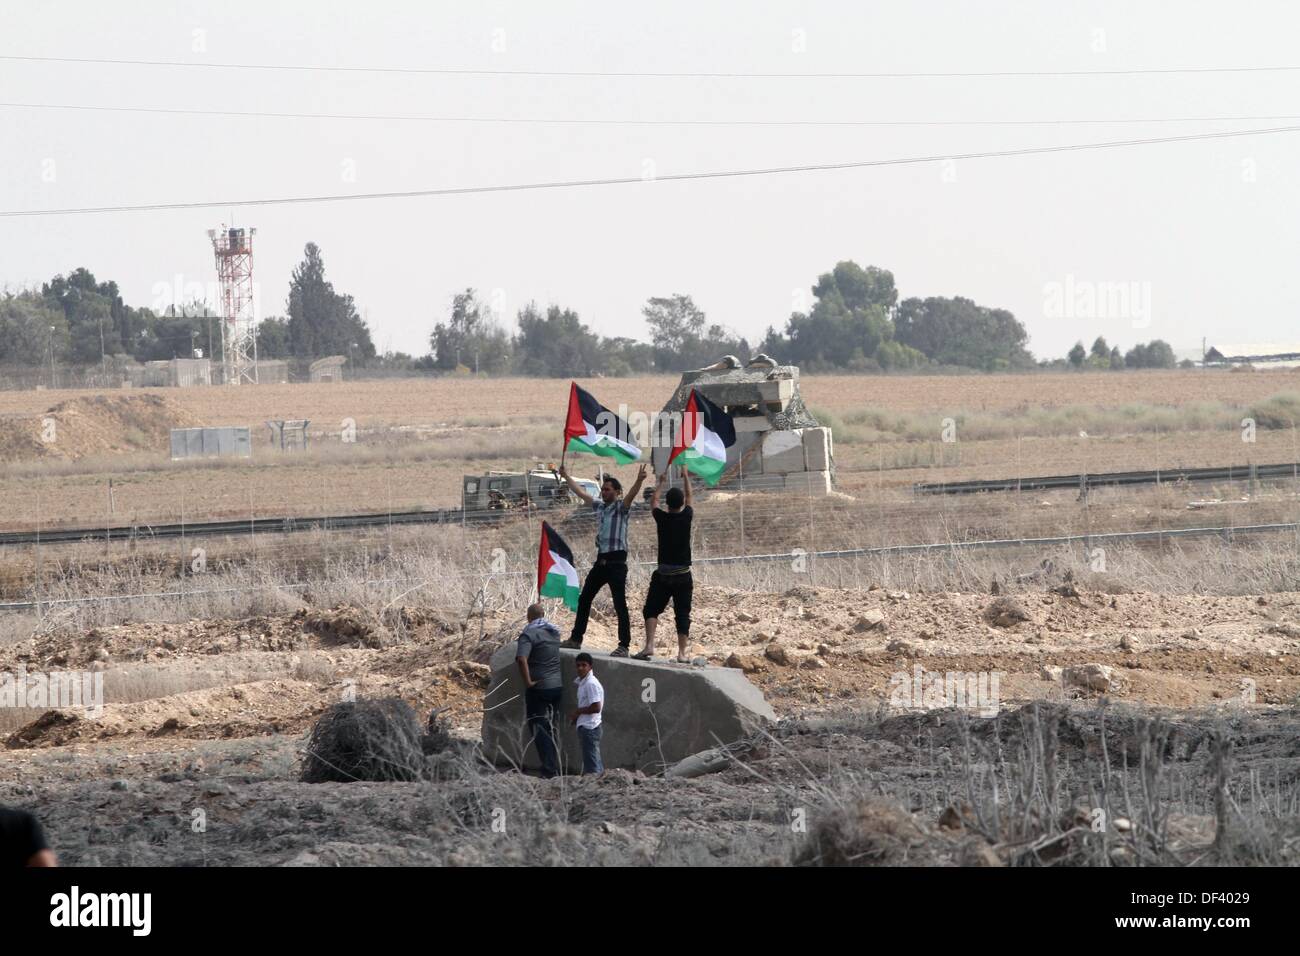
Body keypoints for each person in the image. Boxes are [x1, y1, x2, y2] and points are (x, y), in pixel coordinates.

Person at [558, 462, 648, 657]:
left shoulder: (620, 508)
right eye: (603, 490)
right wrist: (566, 476)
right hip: (601, 561)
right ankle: (575, 639)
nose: (604, 493)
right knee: (584, 599)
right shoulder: (599, 507)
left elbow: (631, 496)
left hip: (616, 562)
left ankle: (624, 645)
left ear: (617, 492)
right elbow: (581, 494)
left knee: (619, 603)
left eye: (608, 490)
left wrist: (639, 481)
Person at [635, 471, 694, 663]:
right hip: (683, 575)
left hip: (663, 575)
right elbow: (690, 496)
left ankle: (650, 646)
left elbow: (653, 501)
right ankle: (682, 653)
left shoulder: (661, 518)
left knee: (651, 609)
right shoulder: (686, 517)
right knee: (682, 614)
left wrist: (659, 483)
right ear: (681, 503)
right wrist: (685, 475)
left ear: (667, 504)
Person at [515, 603, 563, 778]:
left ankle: (549, 770)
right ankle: (556, 766)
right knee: (551, 728)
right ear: (544, 614)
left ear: (528, 617)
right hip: (557, 687)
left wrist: (528, 682)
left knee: (539, 728)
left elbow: (521, 659)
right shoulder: (554, 633)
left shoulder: (528, 634)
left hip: (540, 689)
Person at [569, 652, 604, 775]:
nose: (580, 668)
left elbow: (596, 707)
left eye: (584, 665)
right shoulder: (583, 682)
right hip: (587, 726)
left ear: (590, 667)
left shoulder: (590, 683)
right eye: (578, 665)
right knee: (593, 761)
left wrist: (578, 712)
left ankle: (597, 789)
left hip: (590, 728)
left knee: (592, 766)